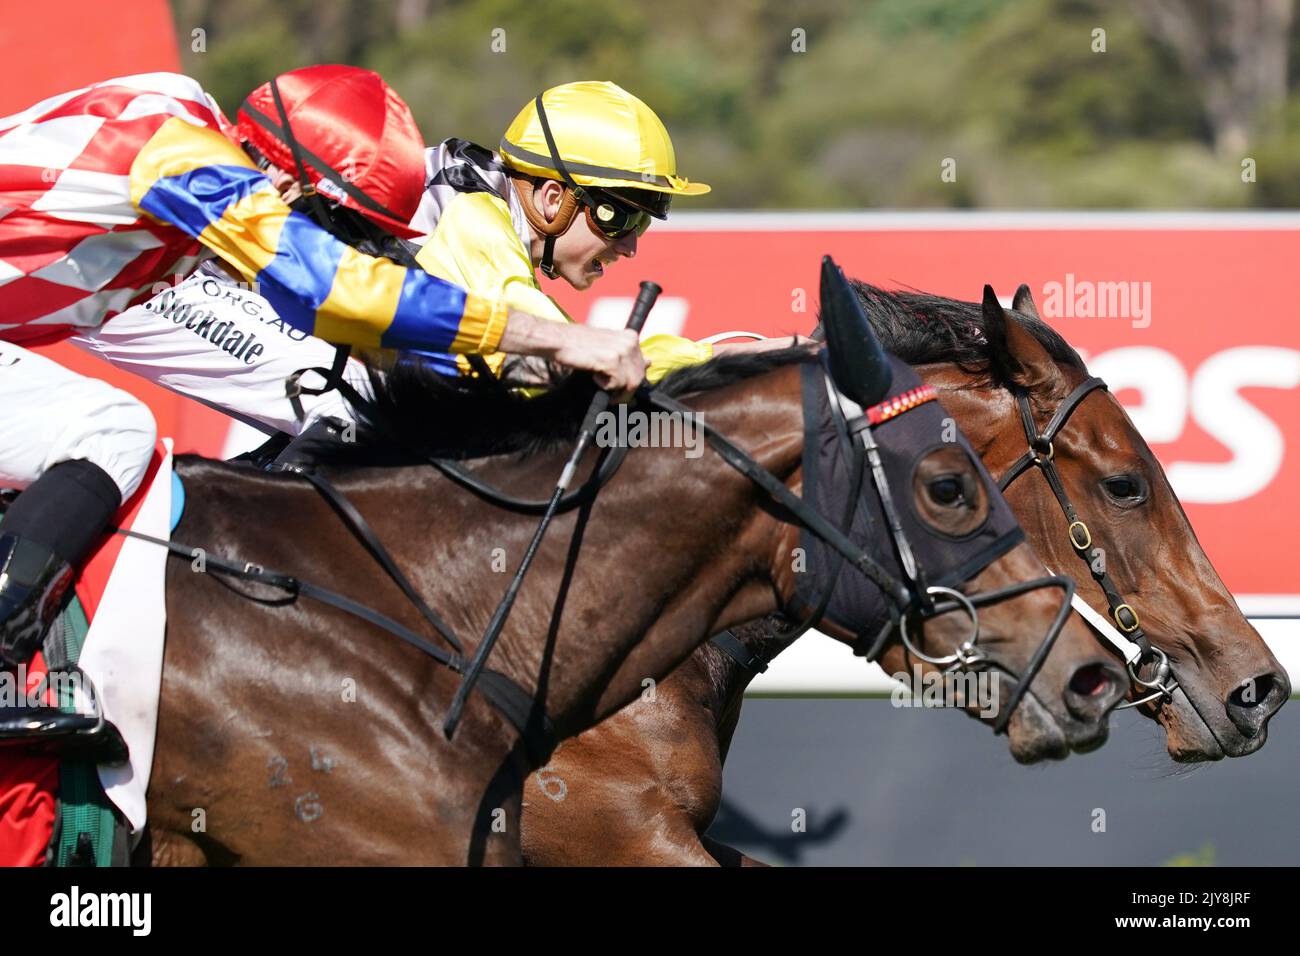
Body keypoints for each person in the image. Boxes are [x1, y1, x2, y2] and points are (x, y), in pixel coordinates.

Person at [0, 66, 645, 685]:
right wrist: (560, 339)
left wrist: (536, 370)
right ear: (289, 181)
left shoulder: (200, 177)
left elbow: (349, 321)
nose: (333, 244)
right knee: (113, 429)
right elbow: (333, 287)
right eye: (335, 227)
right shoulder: (175, 148)